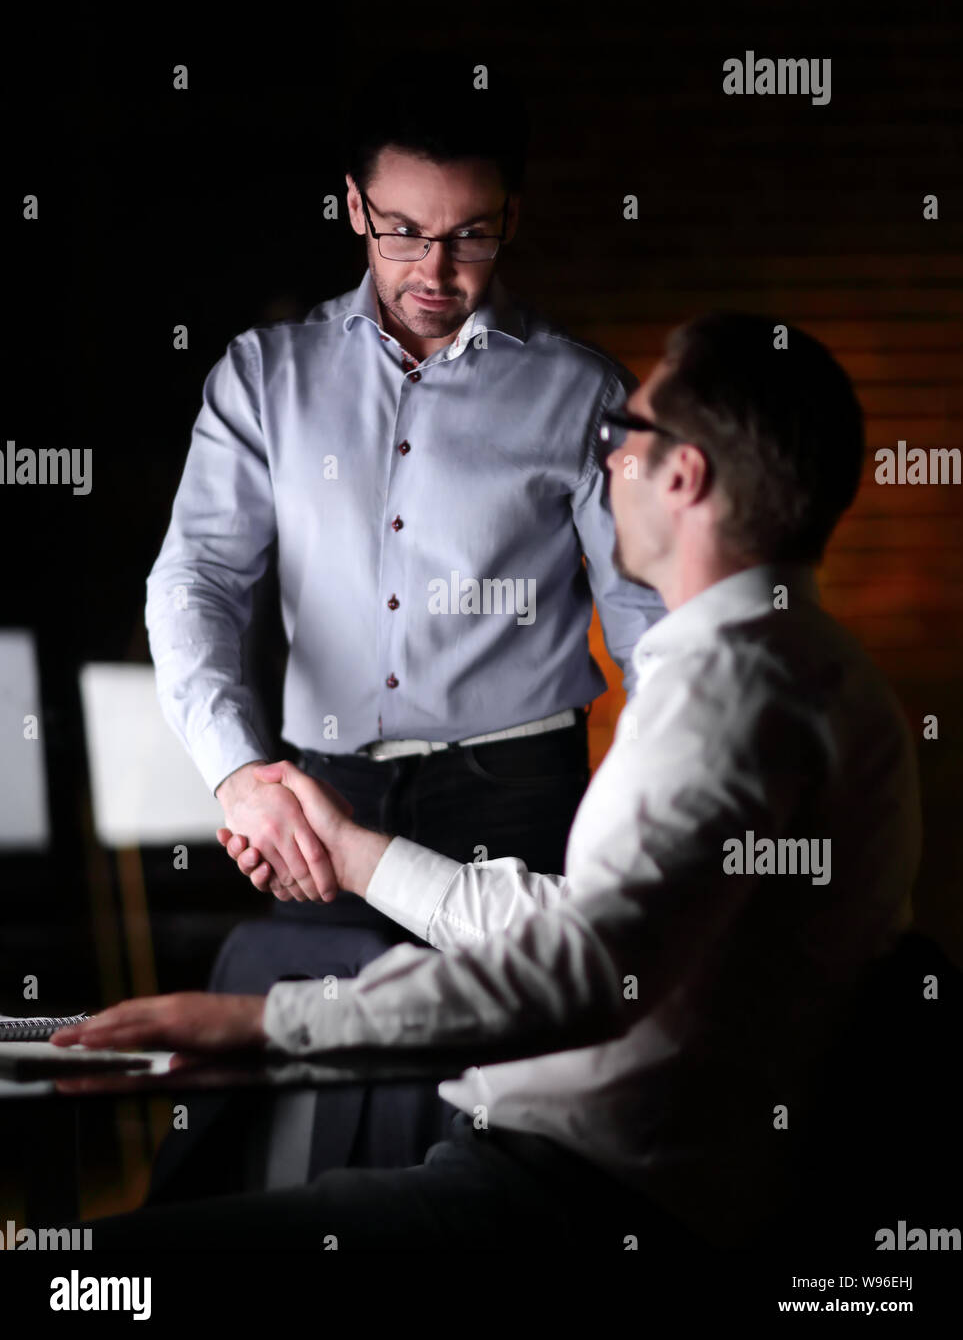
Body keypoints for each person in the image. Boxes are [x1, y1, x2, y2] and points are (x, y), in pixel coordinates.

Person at [57, 314, 920, 1250]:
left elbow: (586, 974)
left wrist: (263, 1025)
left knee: (85, 1271)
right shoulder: (804, 665)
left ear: (681, 476)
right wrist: (352, 854)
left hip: (580, 1200)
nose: (603, 461)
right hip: (587, 1172)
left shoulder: (728, 692)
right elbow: (589, 930)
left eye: (616, 437)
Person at [143, 55, 664, 1177]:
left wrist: (655, 815)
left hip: (519, 793)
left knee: (495, 1093)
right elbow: (195, 583)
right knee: (307, 1081)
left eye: (471, 234)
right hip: (320, 786)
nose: (435, 269)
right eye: (402, 230)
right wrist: (239, 773)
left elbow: (649, 629)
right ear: (350, 205)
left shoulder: (582, 393)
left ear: (512, 218)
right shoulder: (262, 378)